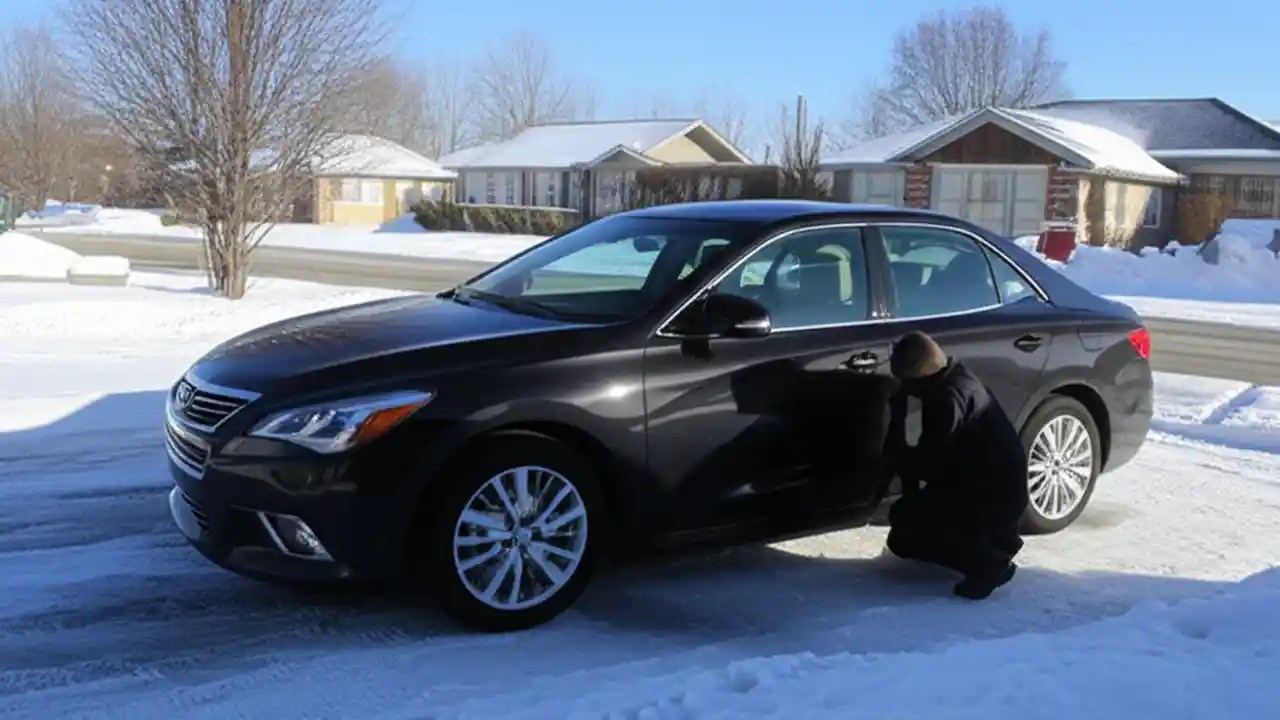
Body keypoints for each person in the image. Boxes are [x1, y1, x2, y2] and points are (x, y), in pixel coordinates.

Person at [882, 331, 1029, 600]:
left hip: (989, 500)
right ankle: (996, 541)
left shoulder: (946, 401)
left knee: (903, 530)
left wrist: (897, 419)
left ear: (919, 378)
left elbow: (927, 466)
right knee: (914, 514)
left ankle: (988, 564)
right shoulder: (957, 379)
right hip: (998, 493)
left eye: (906, 381)